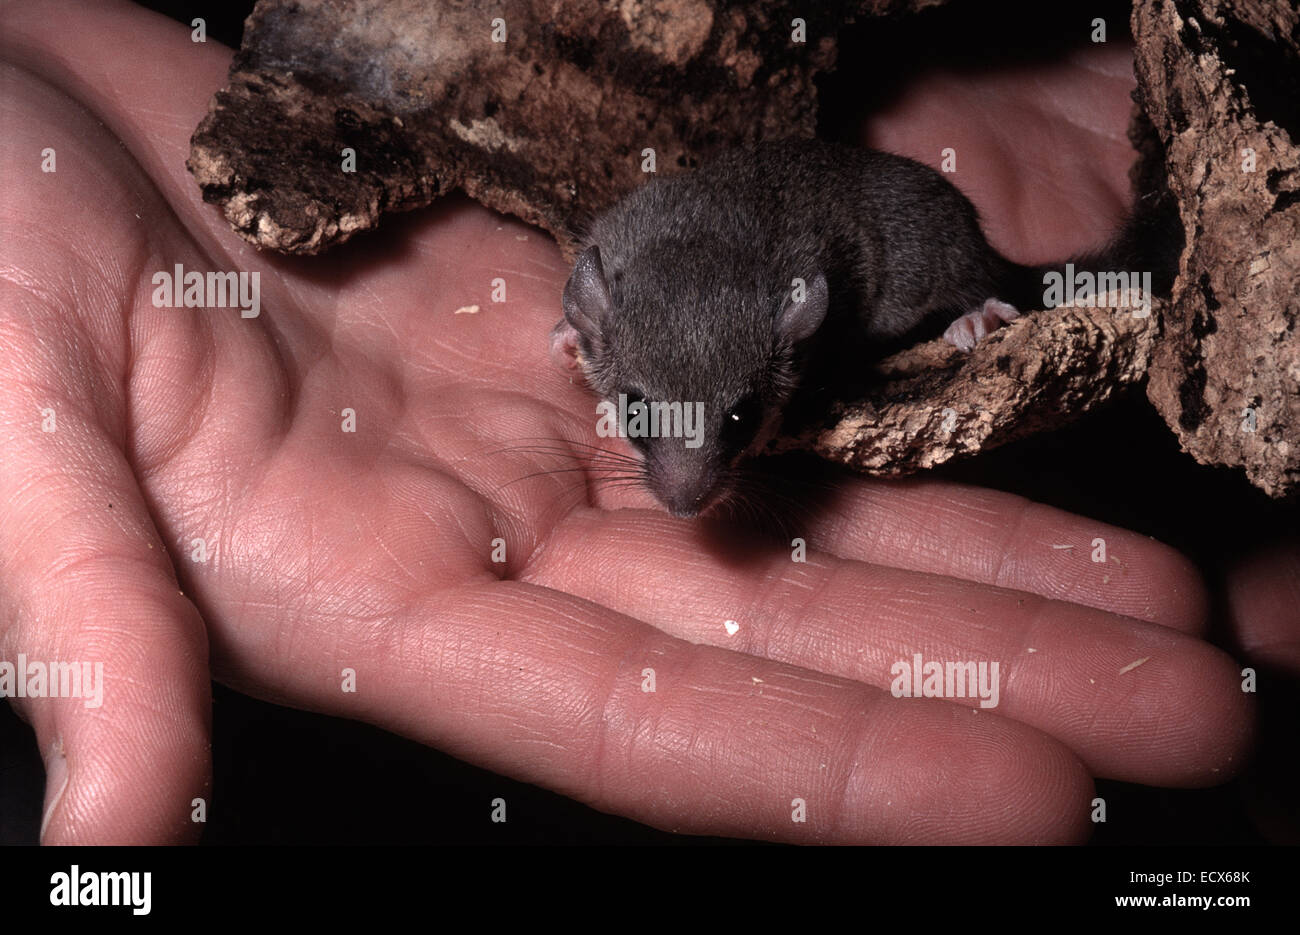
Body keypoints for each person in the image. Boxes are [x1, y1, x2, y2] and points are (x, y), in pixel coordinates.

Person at [0, 0, 1281, 844]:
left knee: (947, 260)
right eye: (649, 422)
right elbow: (597, 277)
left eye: (716, 430)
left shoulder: (809, 291)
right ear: (597, 333)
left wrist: (971, 316)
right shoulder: (613, 272)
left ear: (796, 334)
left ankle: (999, 288)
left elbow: (807, 278)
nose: (681, 487)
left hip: (905, 239)